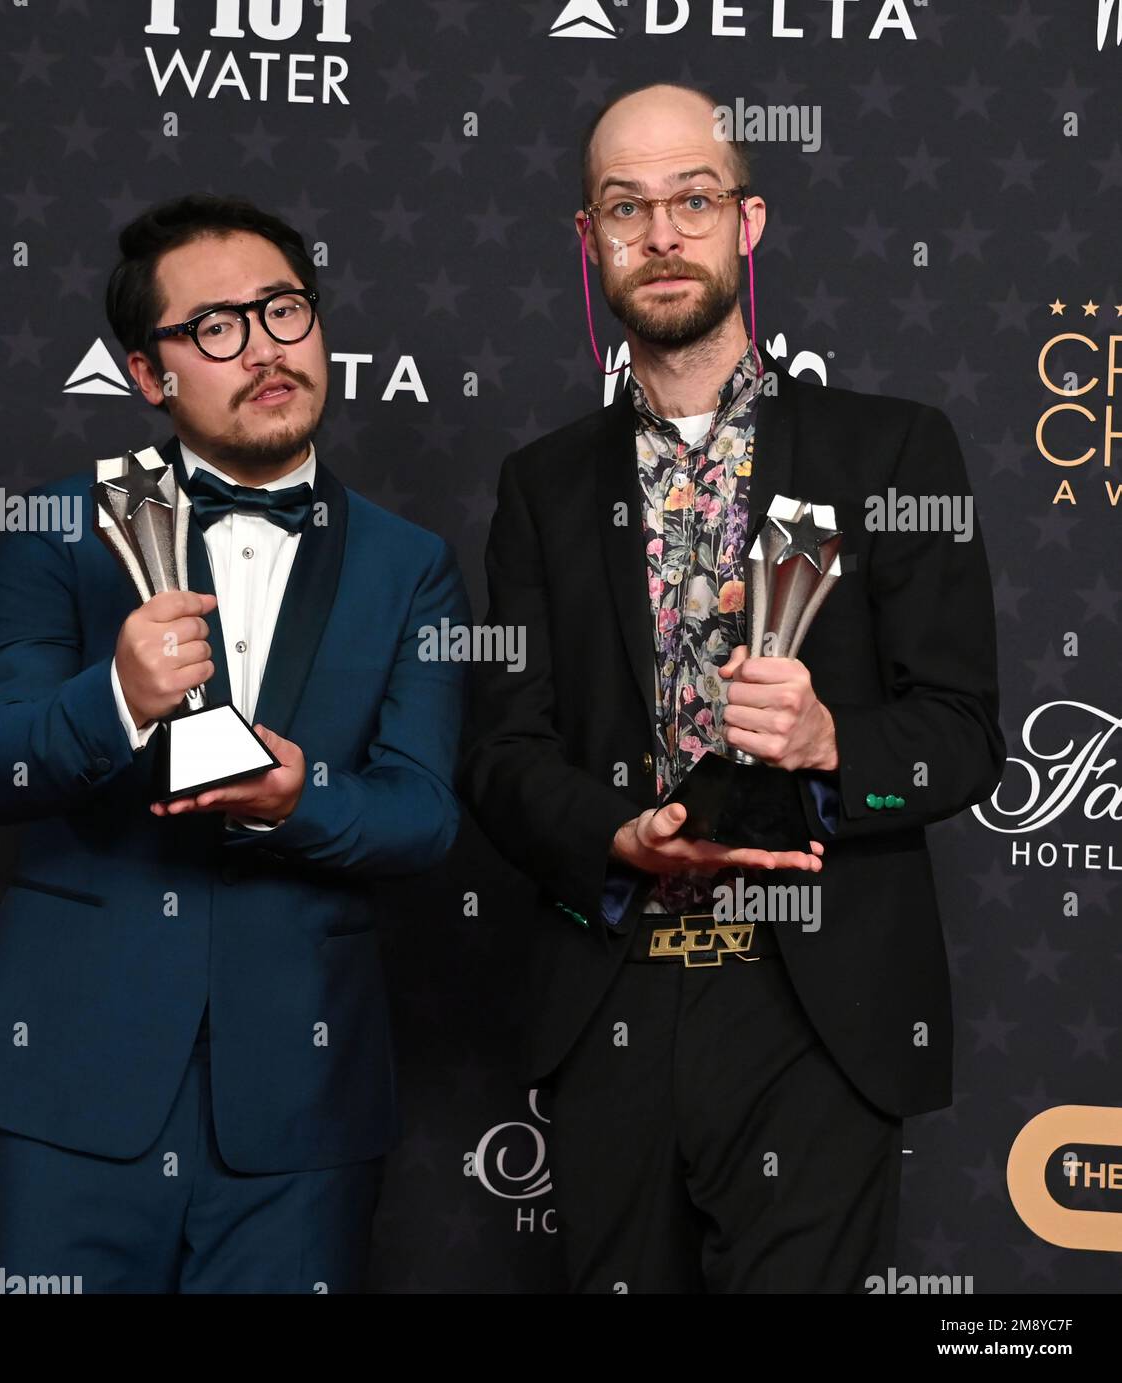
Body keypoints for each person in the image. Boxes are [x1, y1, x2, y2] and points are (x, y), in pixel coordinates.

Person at [458, 84, 1004, 1293]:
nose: (661, 233)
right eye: (625, 207)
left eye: (691, 200)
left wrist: (826, 743)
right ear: (587, 241)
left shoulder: (895, 450)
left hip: (815, 1012)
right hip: (613, 1008)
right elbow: (502, 753)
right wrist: (617, 837)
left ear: (745, 225)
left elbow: (965, 738)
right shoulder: (540, 487)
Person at [0, 192, 470, 1293]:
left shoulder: (411, 564)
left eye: (284, 311)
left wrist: (296, 798)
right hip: (65, 1090)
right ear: (149, 375)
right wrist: (117, 696)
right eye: (215, 328)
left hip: (299, 1114)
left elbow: (422, 813)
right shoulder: (61, 525)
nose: (264, 351)